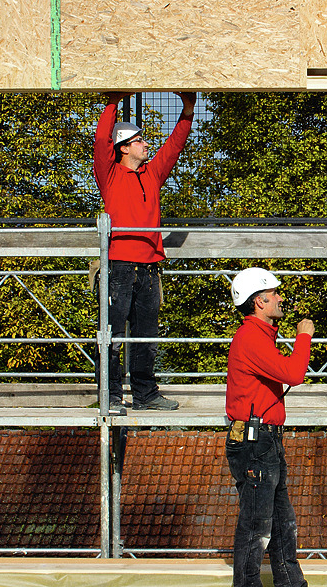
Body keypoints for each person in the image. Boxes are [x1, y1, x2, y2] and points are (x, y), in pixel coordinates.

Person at [92, 91, 196, 414]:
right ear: (123, 147)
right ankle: (109, 395)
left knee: (145, 336)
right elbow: (100, 142)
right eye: (139, 141)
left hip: (149, 267)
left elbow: (174, 146)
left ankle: (144, 394)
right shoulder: (110, 175)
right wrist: (113, 102)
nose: (146, 144)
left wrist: (188, 109)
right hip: (119, 267)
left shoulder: (152, 174)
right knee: (110, 335)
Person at [225, 267, 313, 587]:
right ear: (259, 301)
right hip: (256, 442)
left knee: (281, 522)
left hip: (263, 440)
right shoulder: (250, 338)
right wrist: (304, 336)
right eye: (274, 293)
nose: (280, 298)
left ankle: (291, 583)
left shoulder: (260, 337)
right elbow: (294, 374)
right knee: (256, 526)